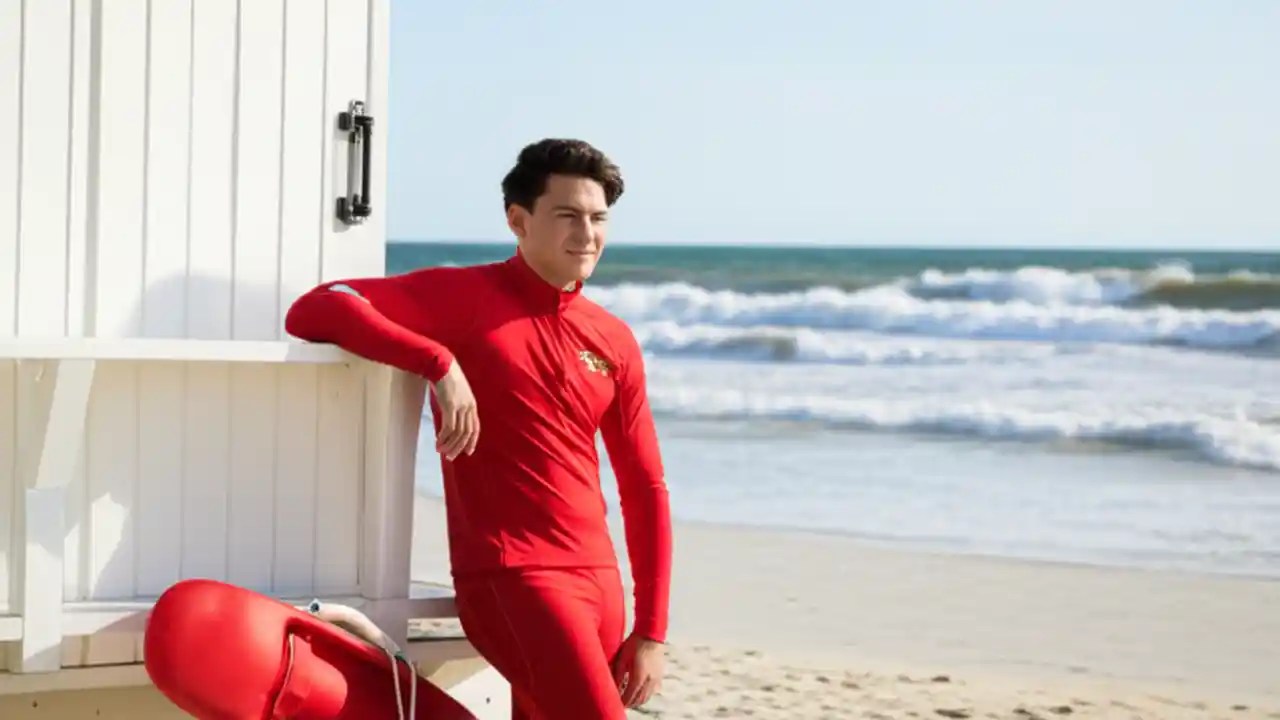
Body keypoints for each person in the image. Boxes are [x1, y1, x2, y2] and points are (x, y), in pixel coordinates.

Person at [284, 138, 672, 719]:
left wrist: (652, 630)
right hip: (514, 577)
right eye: (566, 215)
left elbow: (644, 489)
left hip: (599, 583)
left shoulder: (612, 338)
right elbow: (317, 307)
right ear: (518, 220)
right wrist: (436, 361)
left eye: (598, 218)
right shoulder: (464, 298)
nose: (587, 234)